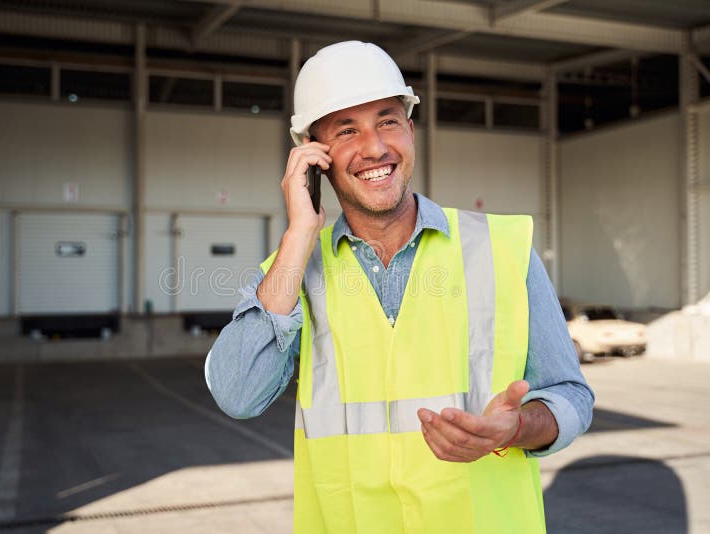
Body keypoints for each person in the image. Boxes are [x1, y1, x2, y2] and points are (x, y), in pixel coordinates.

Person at [205, 40, 593, 533]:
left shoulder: (502, 248)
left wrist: (518, 428)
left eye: (387, 121)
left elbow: (570, 396)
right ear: (314, 156)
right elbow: (238, 394)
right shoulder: (292, 268)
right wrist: (300, 232)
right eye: (347, 130)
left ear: (410, 129)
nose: (374, 147)